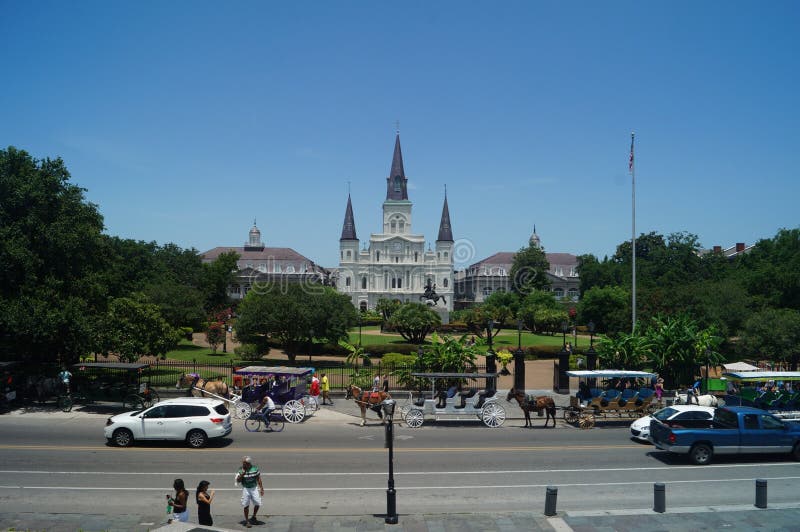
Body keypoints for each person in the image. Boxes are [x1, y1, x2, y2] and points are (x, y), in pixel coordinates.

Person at [236, 456, 264, 528]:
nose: (243, 464)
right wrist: (243, 473)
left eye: (244, 463)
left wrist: (261, 488)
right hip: (246, 489)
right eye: (243, 463)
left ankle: (254, 516)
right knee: (246, 505)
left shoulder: (255, 469)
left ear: (248, 463)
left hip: (254, 488)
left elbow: (258, 479)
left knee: (258, 503)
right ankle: (247, 521)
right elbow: (238, 481)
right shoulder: (241, 469)